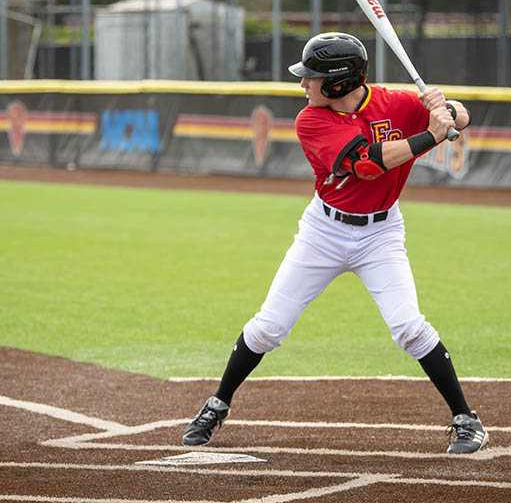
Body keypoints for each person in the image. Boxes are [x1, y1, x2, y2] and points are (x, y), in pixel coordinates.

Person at [181, 32, 489, 454]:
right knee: (270, 325)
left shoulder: (396, 103)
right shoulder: (311, 120)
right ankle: (217, 404)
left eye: (311, 78)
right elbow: (366, 165)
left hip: (380, 233)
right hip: (323, 233)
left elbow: (463, 117)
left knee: (409, 327)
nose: (303, 85)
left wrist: (448, 109)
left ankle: (466, 419)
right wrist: (432, 135)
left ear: (339, 83)